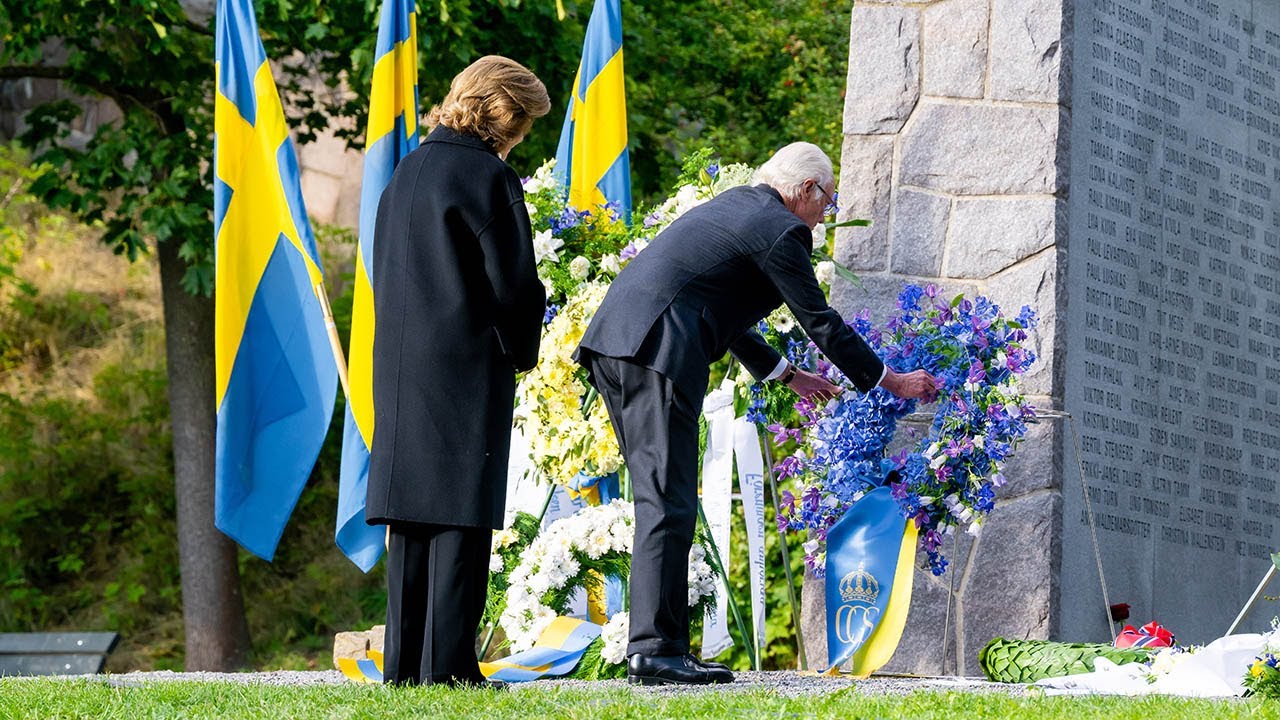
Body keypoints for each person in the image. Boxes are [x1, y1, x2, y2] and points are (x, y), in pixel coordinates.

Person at [575, 142, 938, 686]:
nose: (826, 214)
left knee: (662, 496)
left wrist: (789, 376)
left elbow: (725, 315)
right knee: (668, 500)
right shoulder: (780, 229)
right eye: (828, 200)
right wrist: (892, 380)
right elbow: (821, 321)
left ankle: (660, 648)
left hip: (619, 347)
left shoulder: (739, 209)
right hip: (656, 352)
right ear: (807, 190)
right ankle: (654, 651)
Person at [365, 55, 550, 687]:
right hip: (465, 361)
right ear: (505, 113)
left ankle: (403, 667)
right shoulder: (487, 179)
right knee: (460, 516)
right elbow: (515, 288)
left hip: (397, 363)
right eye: (524, 124)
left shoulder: (405, 173)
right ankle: (449, 670)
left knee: (411, 517)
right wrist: (524, 346)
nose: (522, 138)